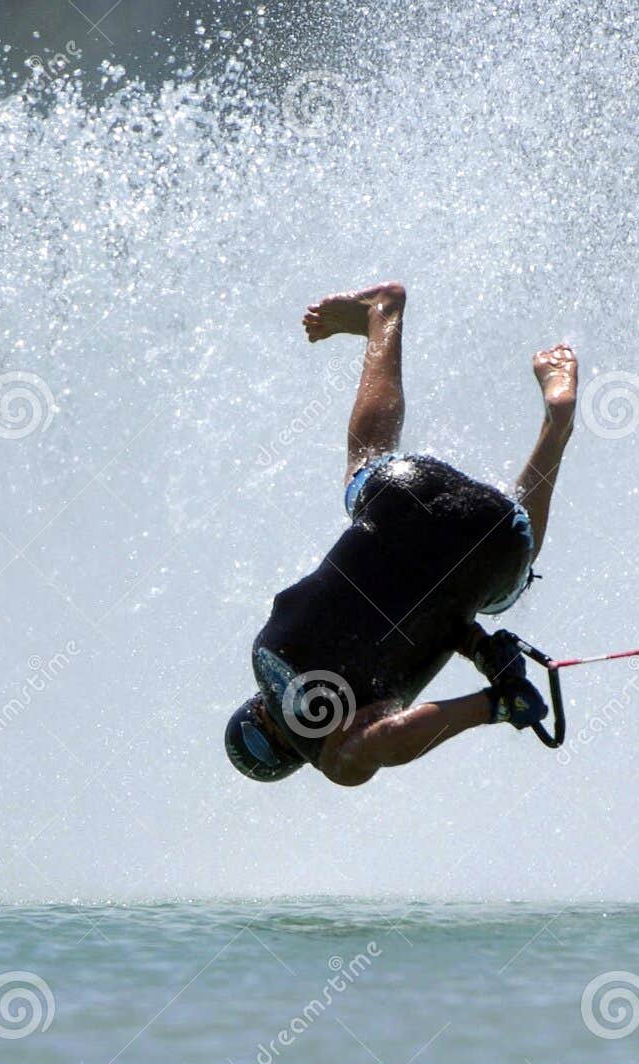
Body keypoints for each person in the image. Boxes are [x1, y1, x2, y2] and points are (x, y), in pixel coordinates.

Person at [224, 282, 578, 786]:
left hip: (490, 541)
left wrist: (493, 705)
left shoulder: (334, 754)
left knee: (508, 583)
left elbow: (384, 740)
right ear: (253, 707)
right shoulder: (264, 655)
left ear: (294, 760)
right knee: (363, 464)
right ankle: (382, 315)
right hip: (405, 491)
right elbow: (387, 608)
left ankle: (556, 427)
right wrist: (475, 648)